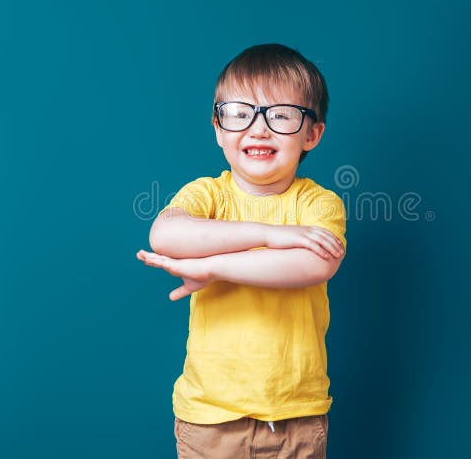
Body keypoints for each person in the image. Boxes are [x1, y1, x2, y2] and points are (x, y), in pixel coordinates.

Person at [137, 43, 347, 458]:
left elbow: (313, 263)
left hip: (296, 418)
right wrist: (272, 234)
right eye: (240, 113)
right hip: (209, 416)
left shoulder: (319, 204)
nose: (259, 128)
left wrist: (212, 267)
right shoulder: (207, 194)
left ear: (312, 133)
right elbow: (165, 235)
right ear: (218, 127)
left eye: (281, 115)